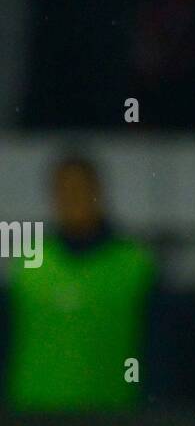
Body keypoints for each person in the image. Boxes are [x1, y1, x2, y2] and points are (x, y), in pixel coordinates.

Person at [4, 155, 157, 411]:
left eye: (81, 189)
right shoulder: (29, 263)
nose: (73, 198)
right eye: (64, 190)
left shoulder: (134, 264)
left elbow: (155, 347)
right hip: (33, 415)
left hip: (111, 414)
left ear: (98, 192)